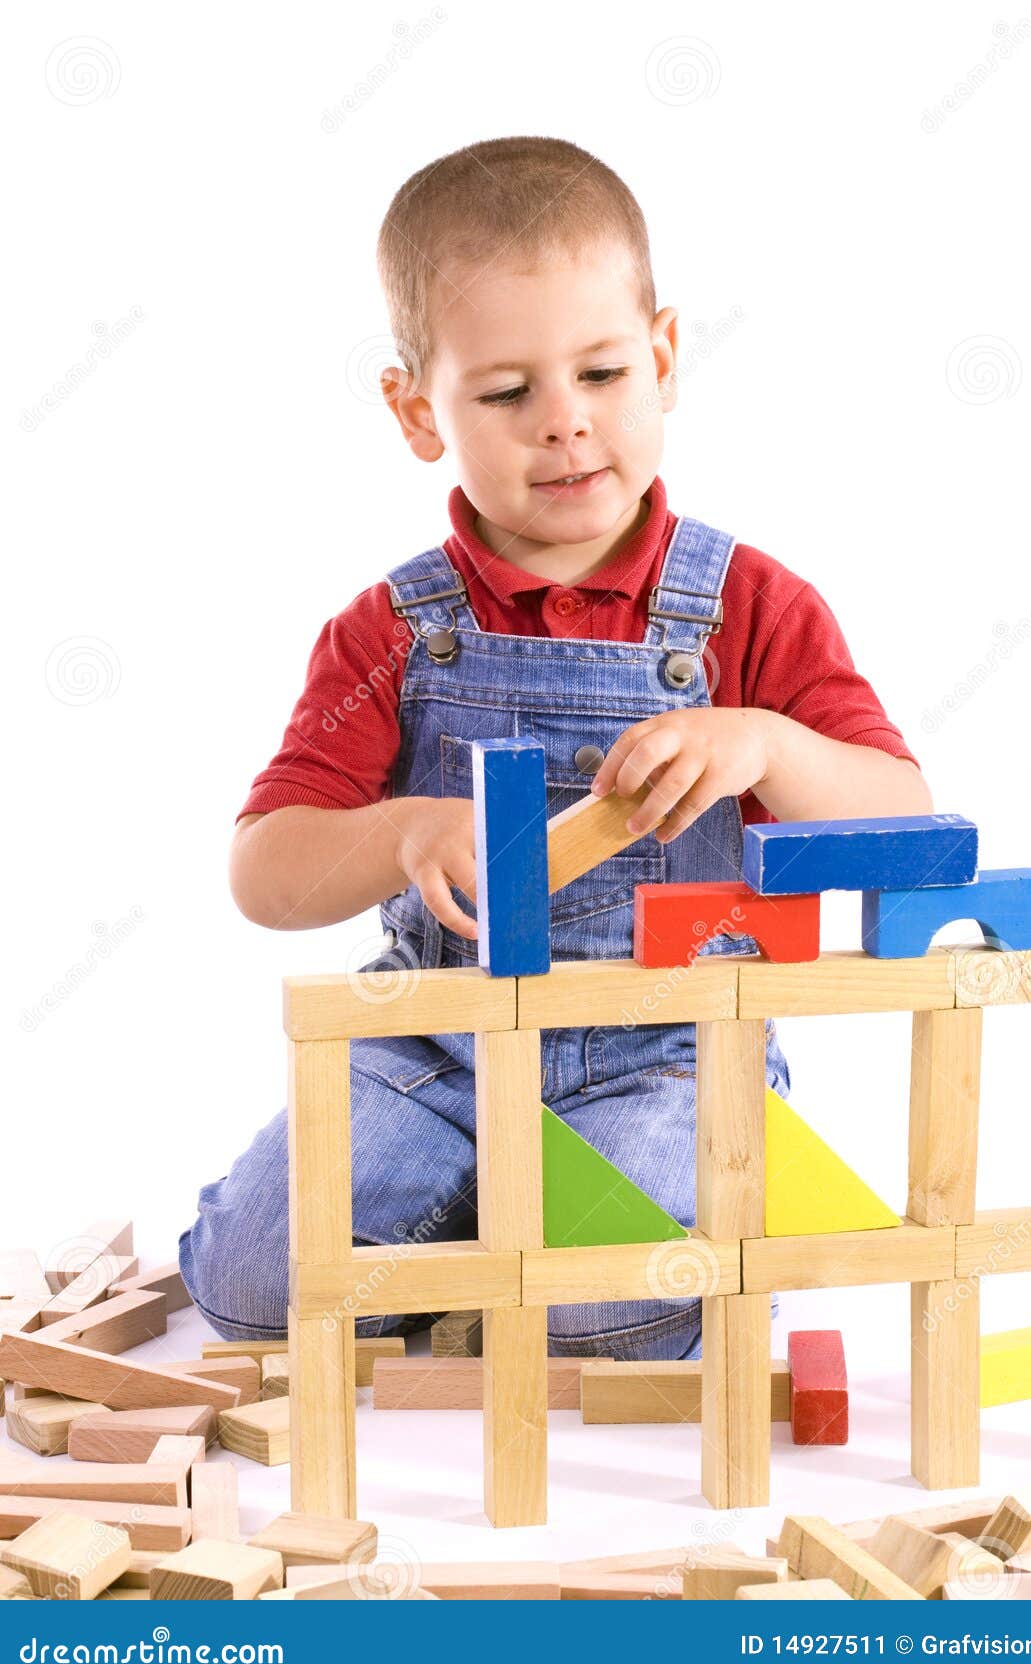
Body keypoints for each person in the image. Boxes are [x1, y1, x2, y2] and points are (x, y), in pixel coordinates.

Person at [178, 136, 931, 1358]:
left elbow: (905, 824)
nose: (565, 424)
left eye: (600, 372)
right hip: (434, 1048)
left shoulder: (750, 607)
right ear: (417, 411)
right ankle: (489, 1234)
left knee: (623, 1307)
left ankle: (510, 1262)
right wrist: (401, 830)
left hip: (667, 1058)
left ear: (663, 359)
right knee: (257, 1287)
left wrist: (765, 745)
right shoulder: (391, 633)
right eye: (504, 393)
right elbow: (264, 874)